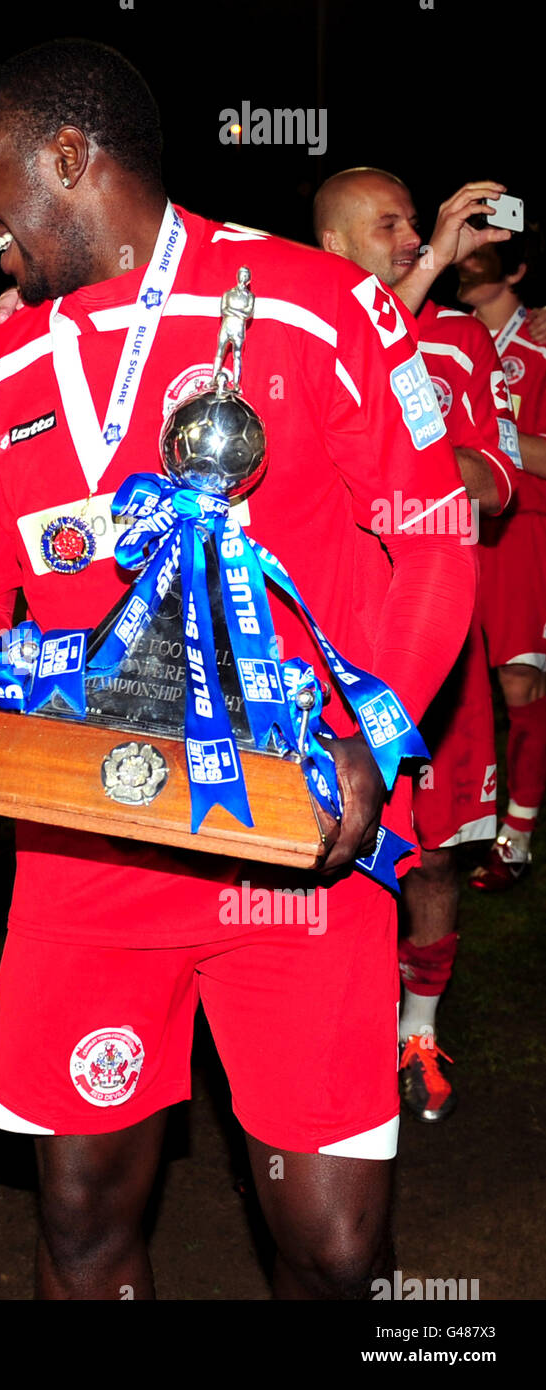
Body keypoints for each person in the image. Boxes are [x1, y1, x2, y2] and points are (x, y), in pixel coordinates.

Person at [0, 40, 474, 1299]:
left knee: (334, 1247)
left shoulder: (317, 306)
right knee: (79, 1224)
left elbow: (436, 538)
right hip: (89, 851)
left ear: (70, 159)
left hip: (296, 838)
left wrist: (367, 746)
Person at [313, 167, 521, 1122]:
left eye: (415, 226)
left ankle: (418, 1034)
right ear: (331, 243)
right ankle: (325, 1033)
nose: (412, 238)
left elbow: (490, 474)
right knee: (322, 845)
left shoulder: (456, 336)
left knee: (432, 857)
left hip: (427, 641)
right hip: (317, 650)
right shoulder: (296, 326)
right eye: (391, 225)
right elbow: (342, 360)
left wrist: (425, 474)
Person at [454, 228, 546, 891]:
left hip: (523, 526)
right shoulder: (448, 337)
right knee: (447, 680)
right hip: (452, 525)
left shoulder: (538, 344)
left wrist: (488, 452)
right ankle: (451, 817)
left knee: (518, 684)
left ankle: (514, 836)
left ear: (514, 272)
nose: (461, 265)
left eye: (477, 258)